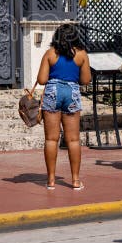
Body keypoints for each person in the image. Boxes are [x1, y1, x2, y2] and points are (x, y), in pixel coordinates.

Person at [37, 24, 91, 190]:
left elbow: (41, 80)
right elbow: (86, 80)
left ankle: (51, 180)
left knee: (51, 139)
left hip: (53, 91)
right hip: (72, 92)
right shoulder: (81, 54)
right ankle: (75, 180)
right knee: (73, 139)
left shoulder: (50, 54)